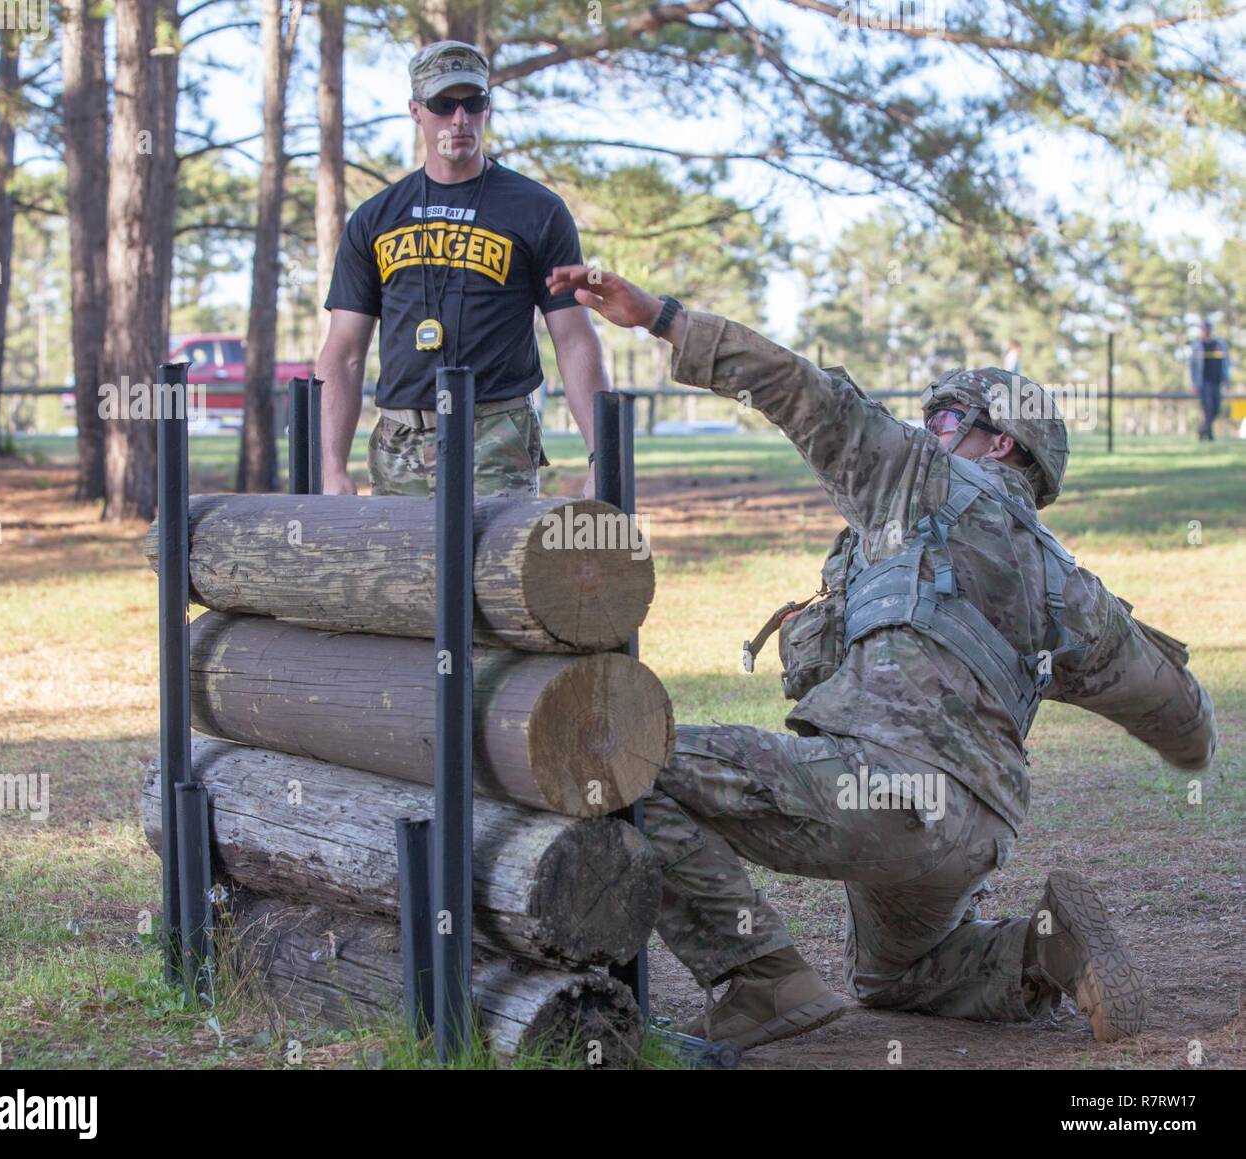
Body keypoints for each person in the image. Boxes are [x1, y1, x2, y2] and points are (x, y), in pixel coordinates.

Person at [546, 264, 1218, 1051]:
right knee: (904, 974)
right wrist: (1195, 744)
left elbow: (801, 390)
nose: (927, 425)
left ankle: (759, 980)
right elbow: (1175, 705)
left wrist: (664, 318)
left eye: (946, 415)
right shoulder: (1072, 586)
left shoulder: (919, 476)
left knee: (628, 758)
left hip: (884, 789)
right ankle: (1044, 946)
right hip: (974, 827)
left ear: (999, 441)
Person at [317, 41, 609, 498]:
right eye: (443, 104)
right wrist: (331, 467)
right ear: (417, 111)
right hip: (400, 442)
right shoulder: (375, 219)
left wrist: (600, 457)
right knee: (399, 571)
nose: (459, 119)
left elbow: (573, 337)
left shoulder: (539, 212)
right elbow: (344, 351)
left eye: (473, 104)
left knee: (492, 569)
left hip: (497, 436)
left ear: (486, 107)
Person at [1190, 320, 1230, 441]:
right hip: (1204, 382)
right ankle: (1210, 435)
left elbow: (1226, 363)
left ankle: (1203, 429)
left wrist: (1227, 380)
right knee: (1208, 407)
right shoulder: (1198, 345)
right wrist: (1194, 384)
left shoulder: (1219, 344)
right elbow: (1193, 367)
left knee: (1216, 408)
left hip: (1217, 381)